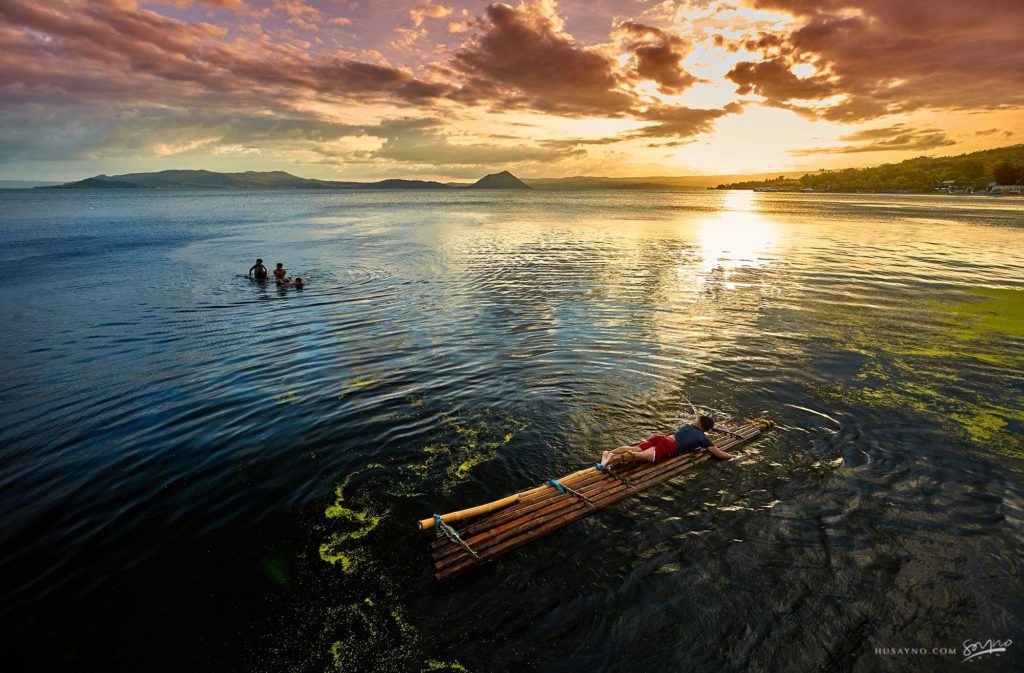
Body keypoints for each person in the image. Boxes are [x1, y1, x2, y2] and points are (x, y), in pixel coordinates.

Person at [600, 415, 735, 467]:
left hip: (663, 437)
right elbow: (720, 454)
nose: (695, 420)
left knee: (635, 448)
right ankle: (612, 459)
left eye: (697, 420)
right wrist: (734, 456)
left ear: (699, 423)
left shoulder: (687, 426)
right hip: (669, 445)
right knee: (641, 457)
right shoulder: (702, 438)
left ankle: (608, 452)